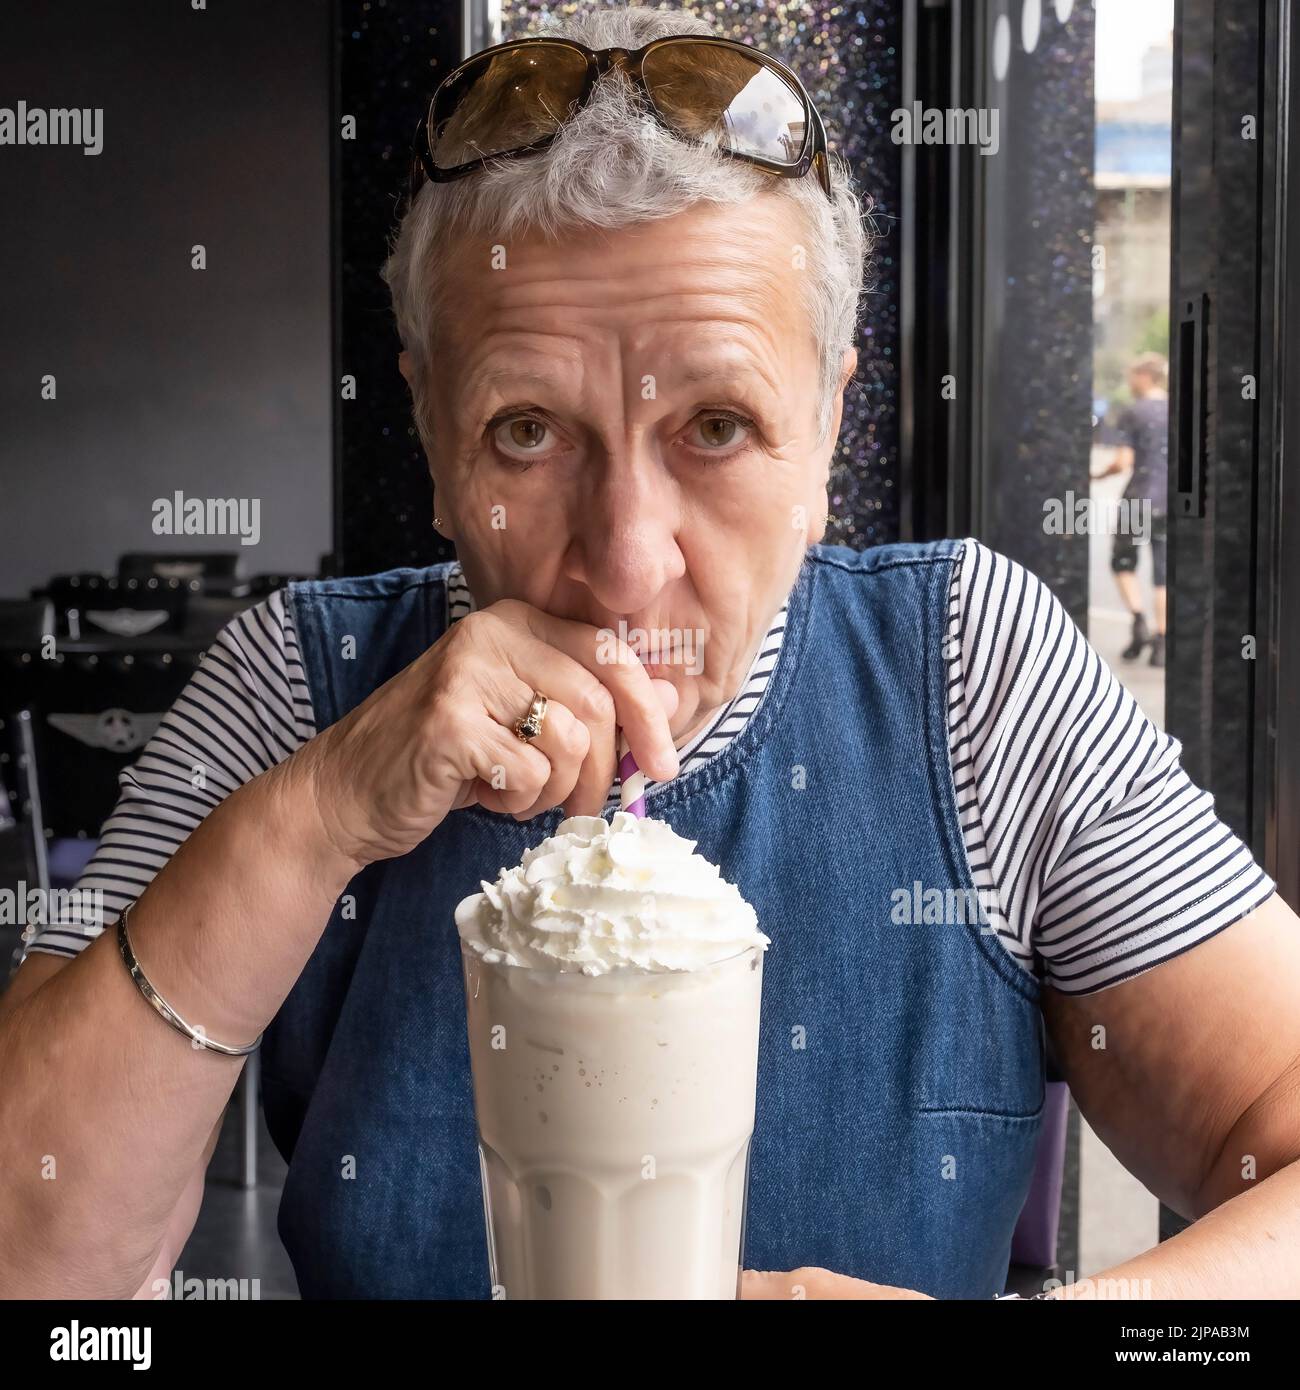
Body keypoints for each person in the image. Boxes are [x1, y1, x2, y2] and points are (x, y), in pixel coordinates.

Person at [2, 5, 1297, 1301]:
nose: (627, 560)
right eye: (525, 430)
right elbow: (32, 1255)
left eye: (719, 424)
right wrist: (315, 815)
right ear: (431, 435)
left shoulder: (974, 672)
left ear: (829, 427)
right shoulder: (298, 690)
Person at [1097, 353, 1169, 667]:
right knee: (1163, 573)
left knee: (1123, 562)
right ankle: (1162, 641)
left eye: (1131, 375)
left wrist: (1096, 475)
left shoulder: (1133, 411)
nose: (1129, 382)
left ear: (1144, 376)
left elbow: (1123, 461)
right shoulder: (1175, 407)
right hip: (1168, 500)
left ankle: (1138, 621)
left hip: (1138, 498)